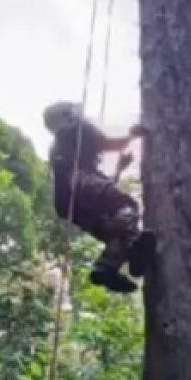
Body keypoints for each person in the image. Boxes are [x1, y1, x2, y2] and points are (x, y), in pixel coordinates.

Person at [43, 101, 155, 293]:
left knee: (116, 230)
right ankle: (110, 263)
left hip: (70, 205)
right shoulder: (75, 127)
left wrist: (119, 169)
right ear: (67, 114)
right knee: (126, 206)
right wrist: (133, 135)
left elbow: (98, 190)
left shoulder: (61, 149)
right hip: (80, 186)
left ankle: (125, 258)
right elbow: (107, 144)